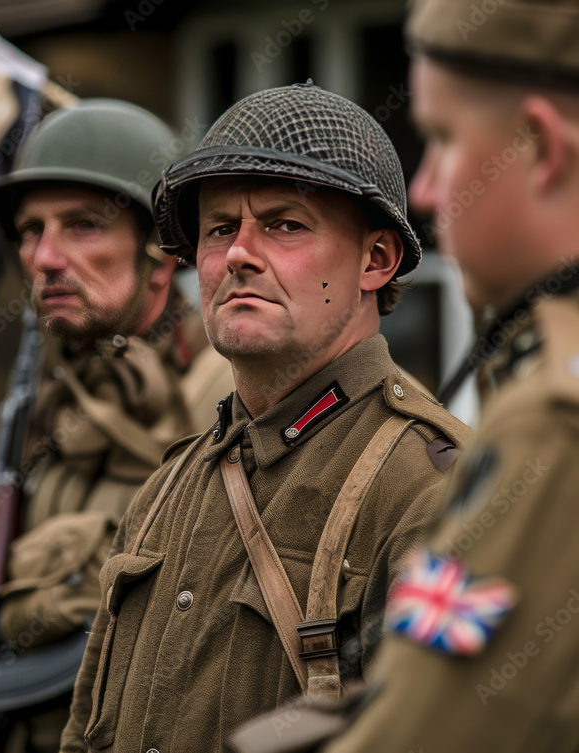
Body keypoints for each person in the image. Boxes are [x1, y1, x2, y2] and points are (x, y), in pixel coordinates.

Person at [59, 82, 472, 753]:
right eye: (220, 229)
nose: (238, 254)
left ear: (376, 260)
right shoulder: (168, 487)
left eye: (285, 224)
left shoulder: (433, 490)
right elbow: (85, 733)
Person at [234, 3, 579, 752]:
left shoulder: (554, 423)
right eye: (221, 228)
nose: (425, 190)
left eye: (445, 140)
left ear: (544, 150)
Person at [0, 99, 233, 753]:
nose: (44, 256)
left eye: (83, 225)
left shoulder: (229, 399)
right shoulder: (40, 411)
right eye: (30, 230)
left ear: (162, 252)